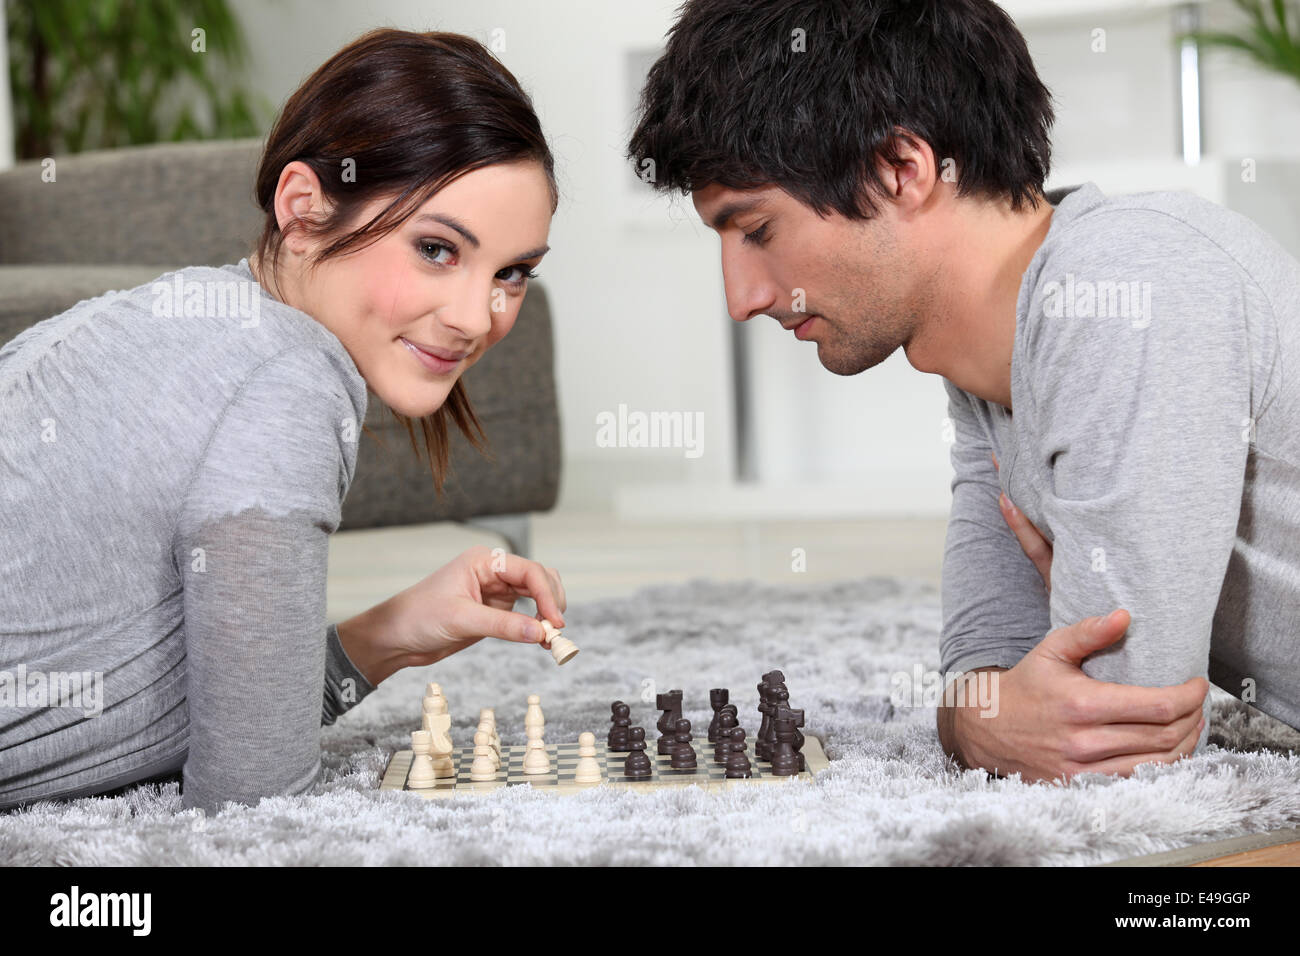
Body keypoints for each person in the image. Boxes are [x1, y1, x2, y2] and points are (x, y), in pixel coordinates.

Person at [626, 0, 1300, 782]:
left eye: (758, 231)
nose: (741, 298)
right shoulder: (993, 363)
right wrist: (972, 718)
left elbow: (1121, 728)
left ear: (900, 169)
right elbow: (989, 670)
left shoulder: (1126, 287)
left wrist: (998, 709)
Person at [0, 29, 564, 814]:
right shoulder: (286, 383)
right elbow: (251, 802)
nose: (478, 316)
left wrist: (390, 634)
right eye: (437, 249)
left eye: (513, 272)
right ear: (302, 209)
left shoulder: (180, 316)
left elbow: (231, 721)